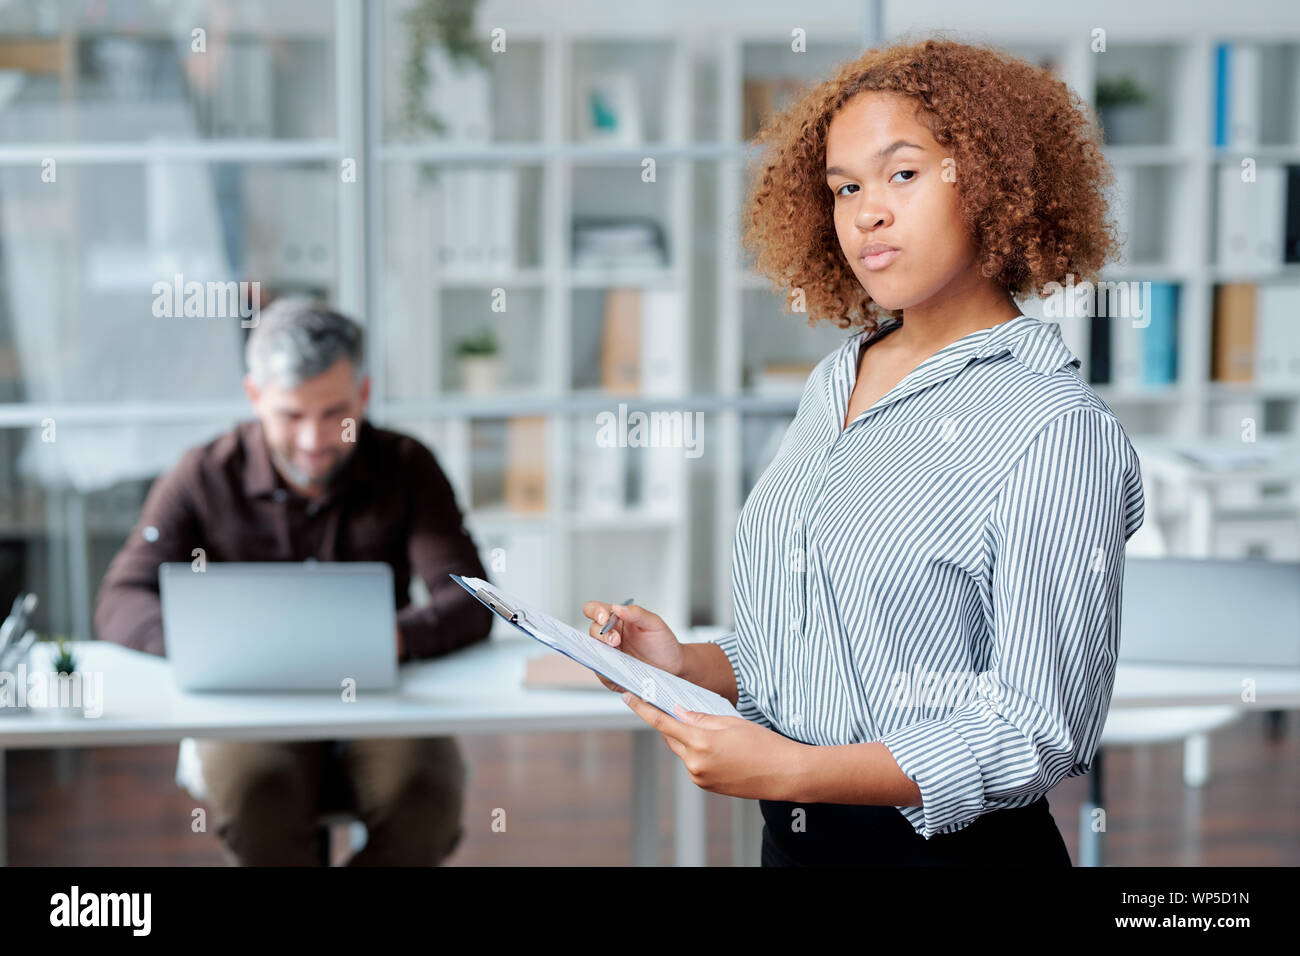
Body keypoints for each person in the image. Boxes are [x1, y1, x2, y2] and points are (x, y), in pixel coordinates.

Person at [582, 37, 1145, 866]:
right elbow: (815, 653)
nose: (865, 211)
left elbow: (1037, 729)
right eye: (844, 187)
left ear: (988, 184)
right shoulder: (835, 381)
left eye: (902, 174)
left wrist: (801, 772)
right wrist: (689, 663)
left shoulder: (1054, 427)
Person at [94, 297, 493, 866]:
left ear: (364, 393)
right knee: (260, 801)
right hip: (250, 706)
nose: (314, 439)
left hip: (382, 697)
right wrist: (212, 645)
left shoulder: (407, 466)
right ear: (255, 397)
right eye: (291, 415)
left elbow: (473, 599)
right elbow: (119, 601)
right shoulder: (203, 474)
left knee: (424, 800)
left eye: (335, 413)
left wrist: (391, 639)